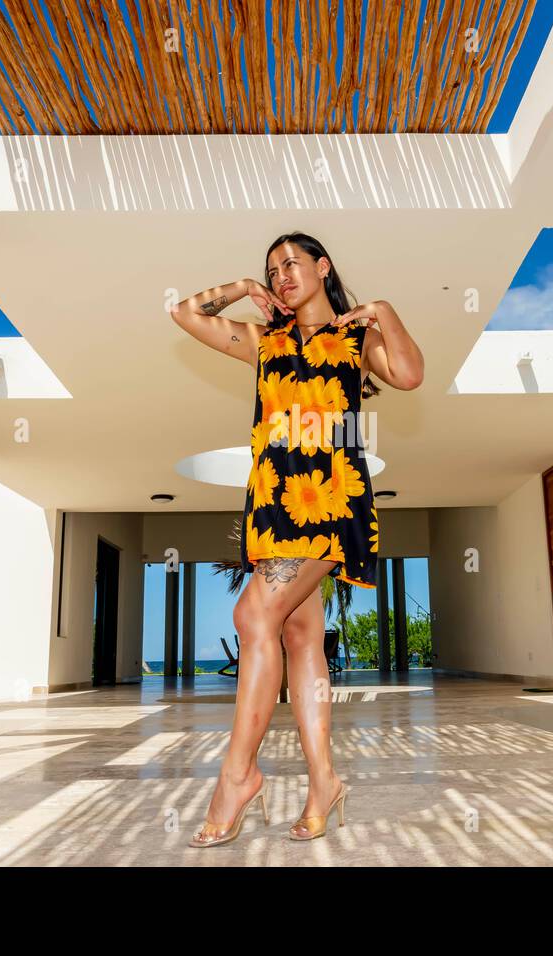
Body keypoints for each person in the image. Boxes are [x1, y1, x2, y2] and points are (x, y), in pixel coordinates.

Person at [169, 231, 424, 845]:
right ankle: (324, 782)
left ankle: (237, 776)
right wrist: (243, 289)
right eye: (272, 269)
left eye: (292, 263)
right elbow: (185, 312)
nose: (282, 274)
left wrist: (382, 310)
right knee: (301, 637)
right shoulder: (265, 342)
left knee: (252, 613)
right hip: (274, 506)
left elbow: (411, 374)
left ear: (323, 266)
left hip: (329, 502)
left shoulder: (354, 337)